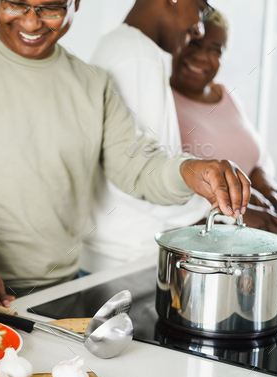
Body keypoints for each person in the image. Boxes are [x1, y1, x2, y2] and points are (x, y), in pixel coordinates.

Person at [0, 0, 250, 304]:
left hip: (59, 290)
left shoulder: (93, 84)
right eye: (15, 4)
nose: (31, 22)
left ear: (76, 4)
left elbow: (137, 167)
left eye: (50, 8)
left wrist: (190, 171)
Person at [83, 0, 215, 271]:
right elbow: (142, 172)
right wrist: (217, 207)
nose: (200, 30)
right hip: (129, 258)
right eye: (201, 11)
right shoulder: (139, 55)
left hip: (105, 253)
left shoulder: (116, 42)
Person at [170, 10, 277, 235]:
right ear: (179, 42)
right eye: (194, 44)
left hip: (250, 236)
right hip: (206, 242)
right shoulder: (163, 102)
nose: (202, 57)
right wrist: (236, 215)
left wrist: (262, 176)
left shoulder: (225, 94)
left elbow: (258, 152)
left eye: (215, 50)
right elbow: (167, 182)